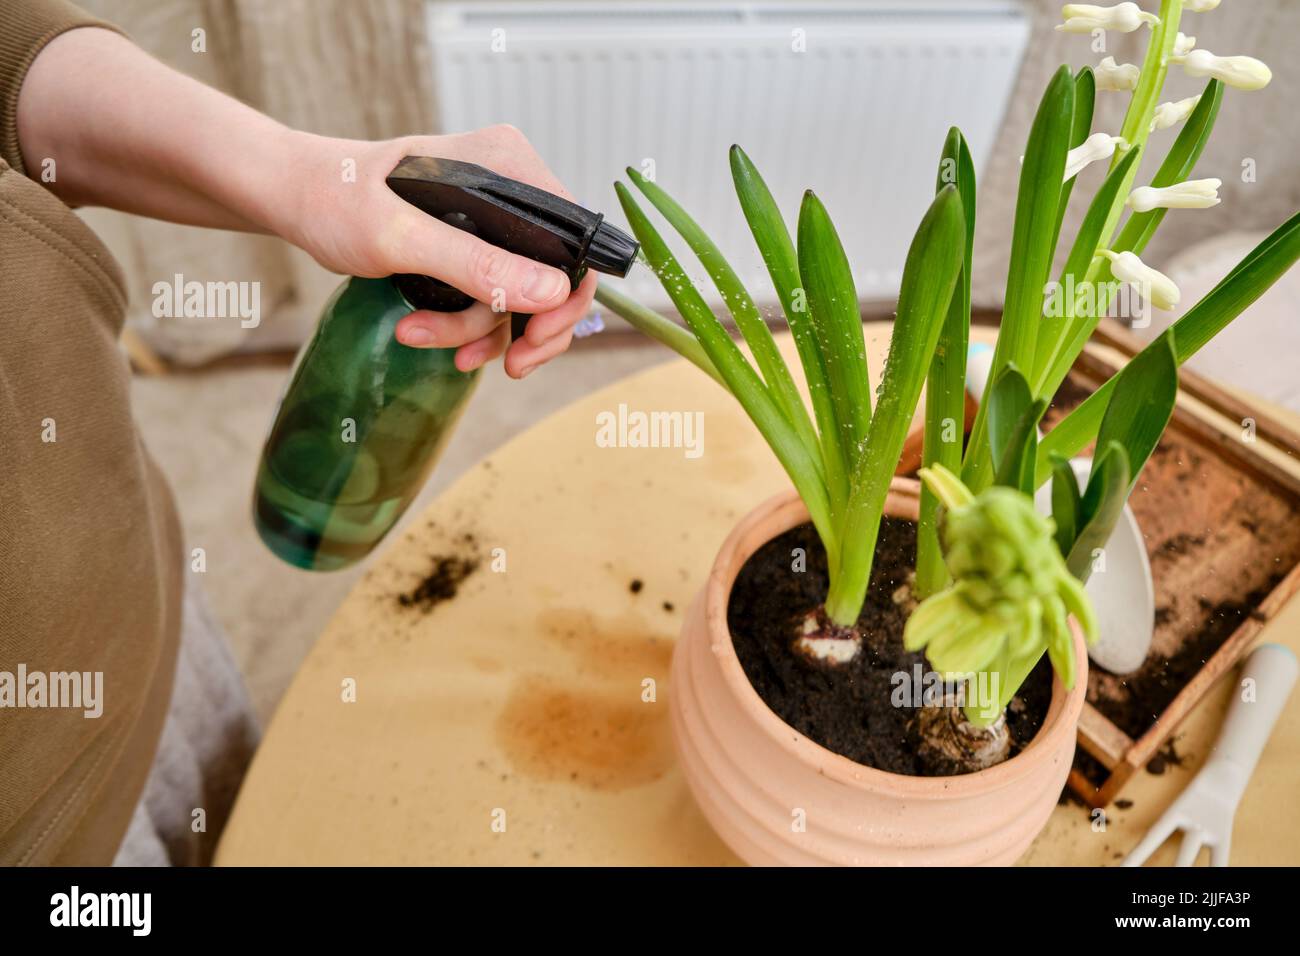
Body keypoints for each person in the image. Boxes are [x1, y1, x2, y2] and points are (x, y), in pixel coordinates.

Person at [0, 0, 596, 865]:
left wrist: (324, 175)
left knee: (231, 808)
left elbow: (9, 60)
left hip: (128, 582)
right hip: (38, 812)